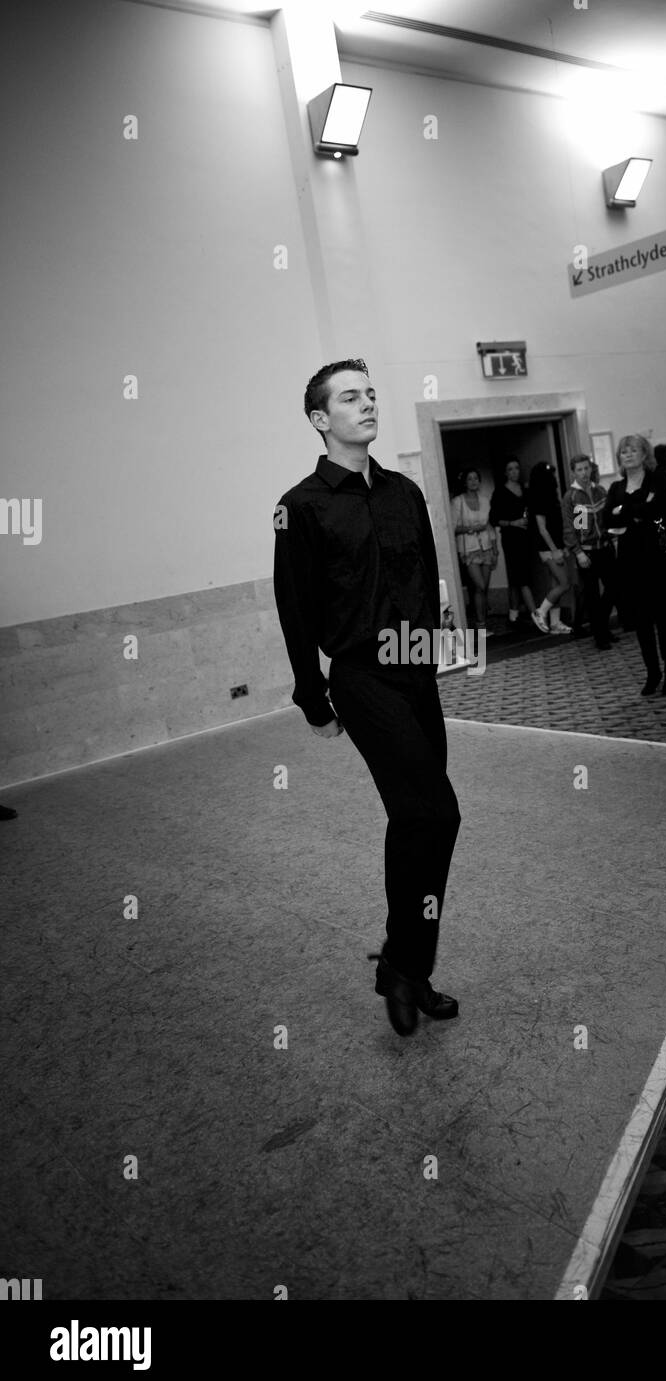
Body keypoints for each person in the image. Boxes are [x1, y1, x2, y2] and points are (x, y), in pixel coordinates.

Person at [273, 358, 460, 1037]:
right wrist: (311, 696)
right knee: (429, 812)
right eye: (350, 397)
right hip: (360, 677)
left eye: (371, 393)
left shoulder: (404, 492)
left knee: (427, 821)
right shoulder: (301, 507)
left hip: (414, 674)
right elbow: (294, 610)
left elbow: (428, 580)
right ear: (322, 419)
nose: (367, 404)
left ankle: (411, 968)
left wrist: (433, 657)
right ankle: (402, 964)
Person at [604, 434, 666, 695]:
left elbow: (659, 513)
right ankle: (652, 672)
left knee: (664, 620)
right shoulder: (615, 488)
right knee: (642, 622)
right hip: (629, 561)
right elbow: (607, 520)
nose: (628, 455)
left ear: (644, 454)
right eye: (623, 451)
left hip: (656, 558)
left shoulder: (659, 479)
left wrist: (625, 512)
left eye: (633, 450)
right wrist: (637, 509)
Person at [562, 454, 616, 649]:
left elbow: (608, 518)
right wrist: (578, 552)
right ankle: (600, 636)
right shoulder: (572, 497)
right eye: (580, 470)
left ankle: (601, 626)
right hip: (587, 553)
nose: (584, 473)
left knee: (614, 587)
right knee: (592, 595)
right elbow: (571, 529)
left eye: (587, 468)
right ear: (574, 472)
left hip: (605, 549)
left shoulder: (600, 490)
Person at [489, 458, 537, 628]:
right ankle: (536, 616)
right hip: (511, 538)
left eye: (517, 468)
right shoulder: (500, 492)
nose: (515, 472)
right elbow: (493, 519)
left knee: (517, 578)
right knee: (520, 576)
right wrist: (513, 523)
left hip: (526, 538)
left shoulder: (525, 489)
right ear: (505, 472)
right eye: (510, 469)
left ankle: (513, 616)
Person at [528, 461, 573, 634]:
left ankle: (555, 623)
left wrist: (563, 546)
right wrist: (555, 549)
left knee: (556, 586)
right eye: (550, 475)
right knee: (564, 584)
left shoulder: (553, 497)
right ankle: (541, 612)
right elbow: (542, 529)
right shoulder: (538, 499)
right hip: (548, 548)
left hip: (557, 545)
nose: (553, 478)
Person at [451, 468, 498, 631]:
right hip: (469, 550)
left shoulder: (485, 500)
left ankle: (482, 621)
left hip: (486, 546)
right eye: (470, 479)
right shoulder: (458, 502)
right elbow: (452, 527)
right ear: (465, 482)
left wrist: (495, 549)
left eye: (476, 479)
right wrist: (471, 529)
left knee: (484, 586)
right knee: (479, 585)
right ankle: (480, 624)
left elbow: (490, 525)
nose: (473, 482)